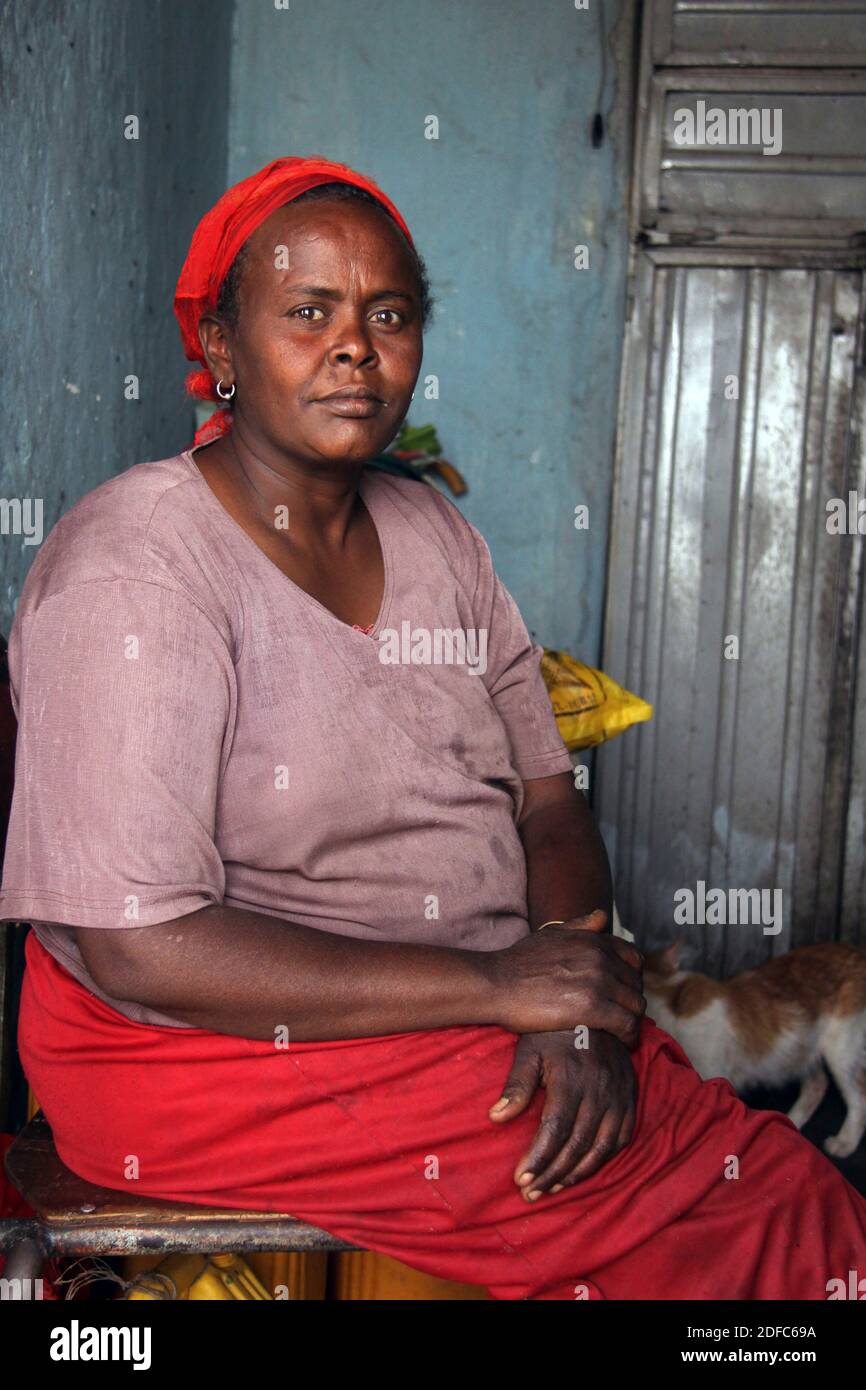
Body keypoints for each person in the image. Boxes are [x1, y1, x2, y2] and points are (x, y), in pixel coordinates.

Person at [2, 156, 865, 1301]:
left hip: (468, 1005)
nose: (354, 346)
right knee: (753, 1223)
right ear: (217, 349)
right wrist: (503, 985)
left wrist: (576, 1006)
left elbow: (547, 800)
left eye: (387, 315)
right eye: (307, 311)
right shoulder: (136, 568)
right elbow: (140, 946)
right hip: (208, 1049)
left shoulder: (434, 536)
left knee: (740, 1167)